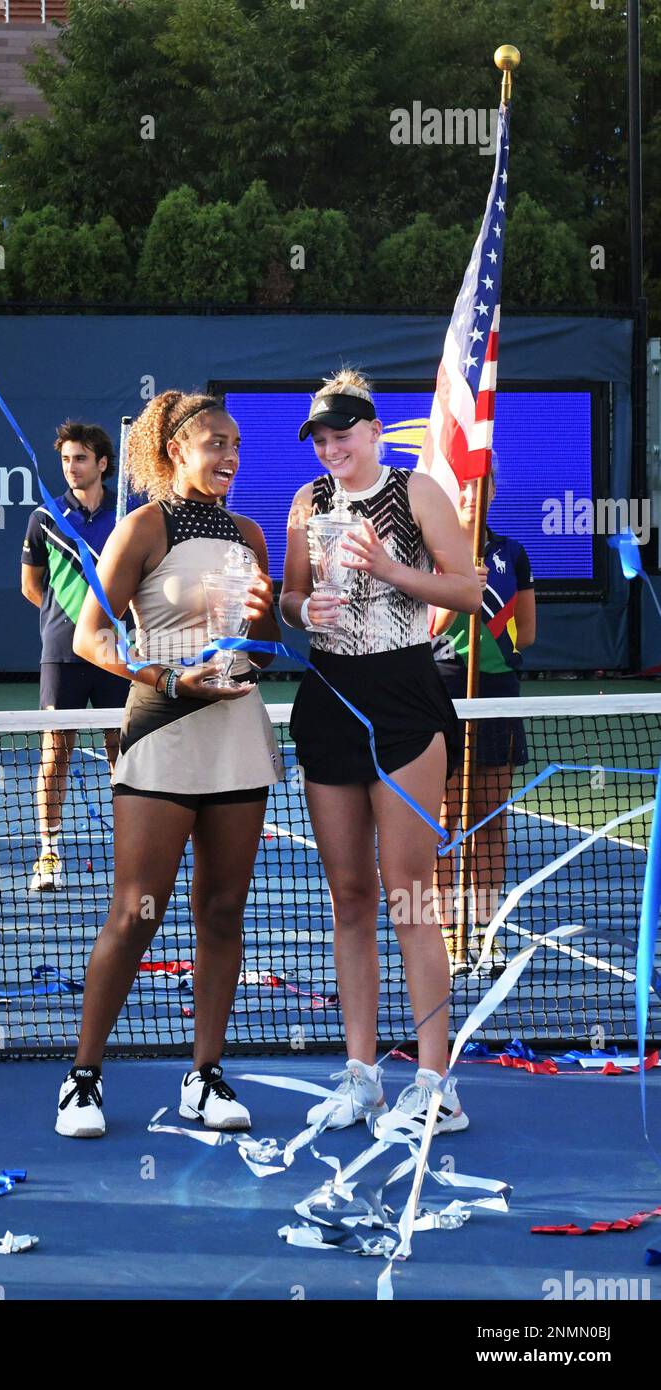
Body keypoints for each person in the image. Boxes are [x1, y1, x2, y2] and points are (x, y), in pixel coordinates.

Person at [54, 390, 284, 1138]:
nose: (229, 456)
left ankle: (204, 1077)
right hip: (162, 724)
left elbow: (270, 644)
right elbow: (91, 638)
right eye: (214, 442)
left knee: (221, 911)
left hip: (237, 733)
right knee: (135, 912)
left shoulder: (249, 531)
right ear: (174, 450)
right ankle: (82, 1080)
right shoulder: (142, 526)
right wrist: (163, 678)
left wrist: (265, 606)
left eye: (236, 444)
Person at [280, 369, 481, 1135]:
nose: (332, 448)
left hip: (404, 701)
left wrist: (389, 571)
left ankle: (436, 1084)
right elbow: (291, 600)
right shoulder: (306, 503)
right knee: (350, 897)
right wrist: (305, 607)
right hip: (328, 700)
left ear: (371, 431)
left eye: (343, 434)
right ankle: (361, 1077)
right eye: (321, 439)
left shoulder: (418, 491)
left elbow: (468, 591)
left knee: (408, 893)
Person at [431, 461, 537, 976]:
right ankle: (451, 936)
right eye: (464, 487)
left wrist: (492, 612)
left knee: (490, 821)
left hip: (498, 693)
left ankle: (486, 933)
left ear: (493, 489)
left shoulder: (513, 553)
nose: (473, 494)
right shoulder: (433, 548)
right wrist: (459, 589)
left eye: (481, 484)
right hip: (444, 691)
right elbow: (428, 626)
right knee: (447, 821)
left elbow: (528, 635)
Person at [21, 421, 129, 893]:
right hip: (60, 654)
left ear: (103, 464)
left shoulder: (128, 516)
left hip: (115, 653)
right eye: (66, 459)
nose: (71, 467)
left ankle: (133, 845)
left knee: (123, 751)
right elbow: (31, 586)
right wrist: (71, 621)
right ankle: (48, 852)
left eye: (81, 458)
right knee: (55, 753)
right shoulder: (44, 518)